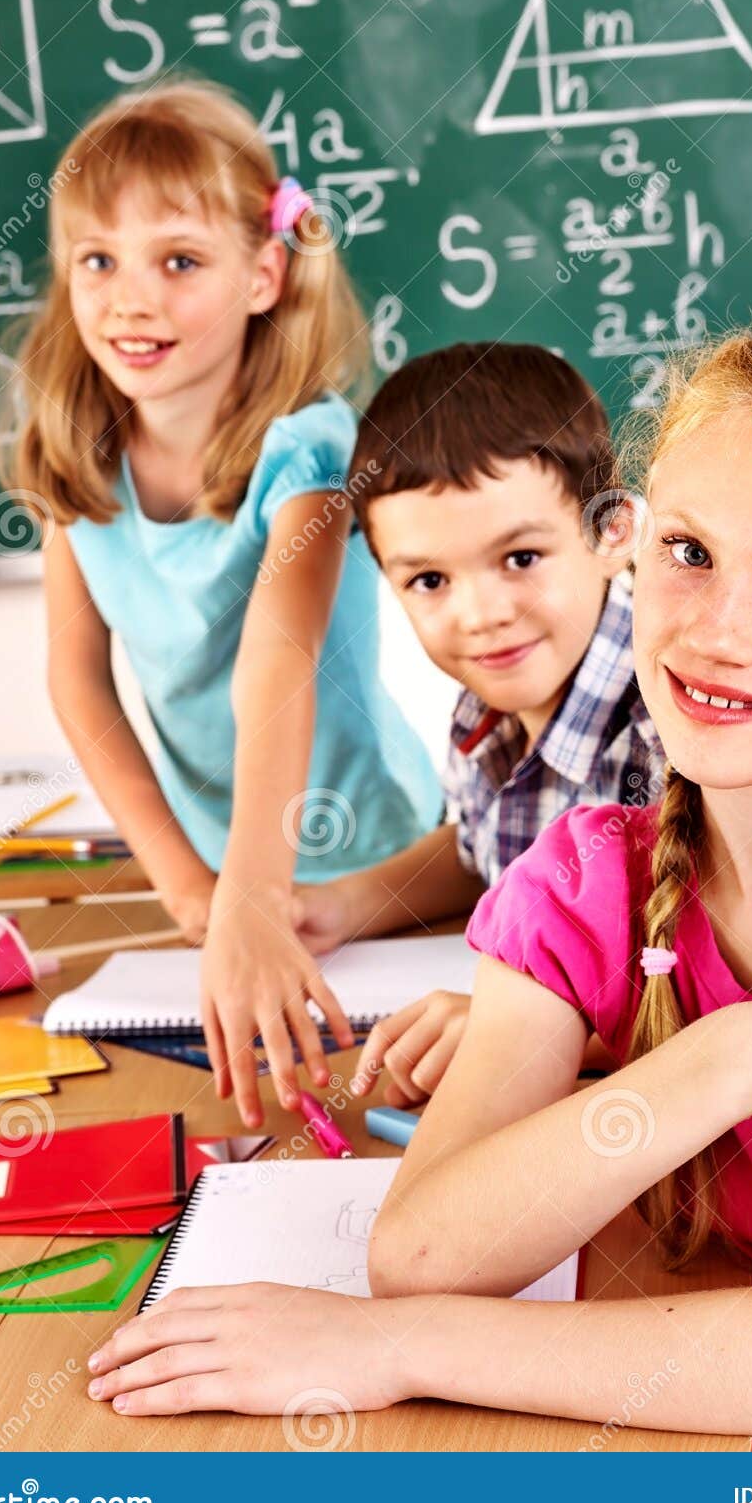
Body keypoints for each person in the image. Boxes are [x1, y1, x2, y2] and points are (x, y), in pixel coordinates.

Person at [86, 322, 752, 1451]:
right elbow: (426, 1253)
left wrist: (393, 1346)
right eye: (689, 552)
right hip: (712, 1455)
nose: (718, 631)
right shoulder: (589, 879)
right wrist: (745, 1055)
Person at [3, 78, 440, 1124]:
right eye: (97, 260)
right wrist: (189, 887)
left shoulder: (311, 450)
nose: (129, 299)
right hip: (219, 873)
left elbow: (276, 661)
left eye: (179, 261)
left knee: (376, 1097)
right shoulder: (80, 454)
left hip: (380, 861)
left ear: (263, 275)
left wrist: (251, 896)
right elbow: (78, 682)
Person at [292, 342, 663, 1105]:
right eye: (430, 579)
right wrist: (342, 905)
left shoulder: (672, 731)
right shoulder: (484, 712)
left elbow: (730, 991)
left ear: (611, 532)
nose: (480, 615)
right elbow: (484, 849)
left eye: (520, 558)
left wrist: (520, 1035)